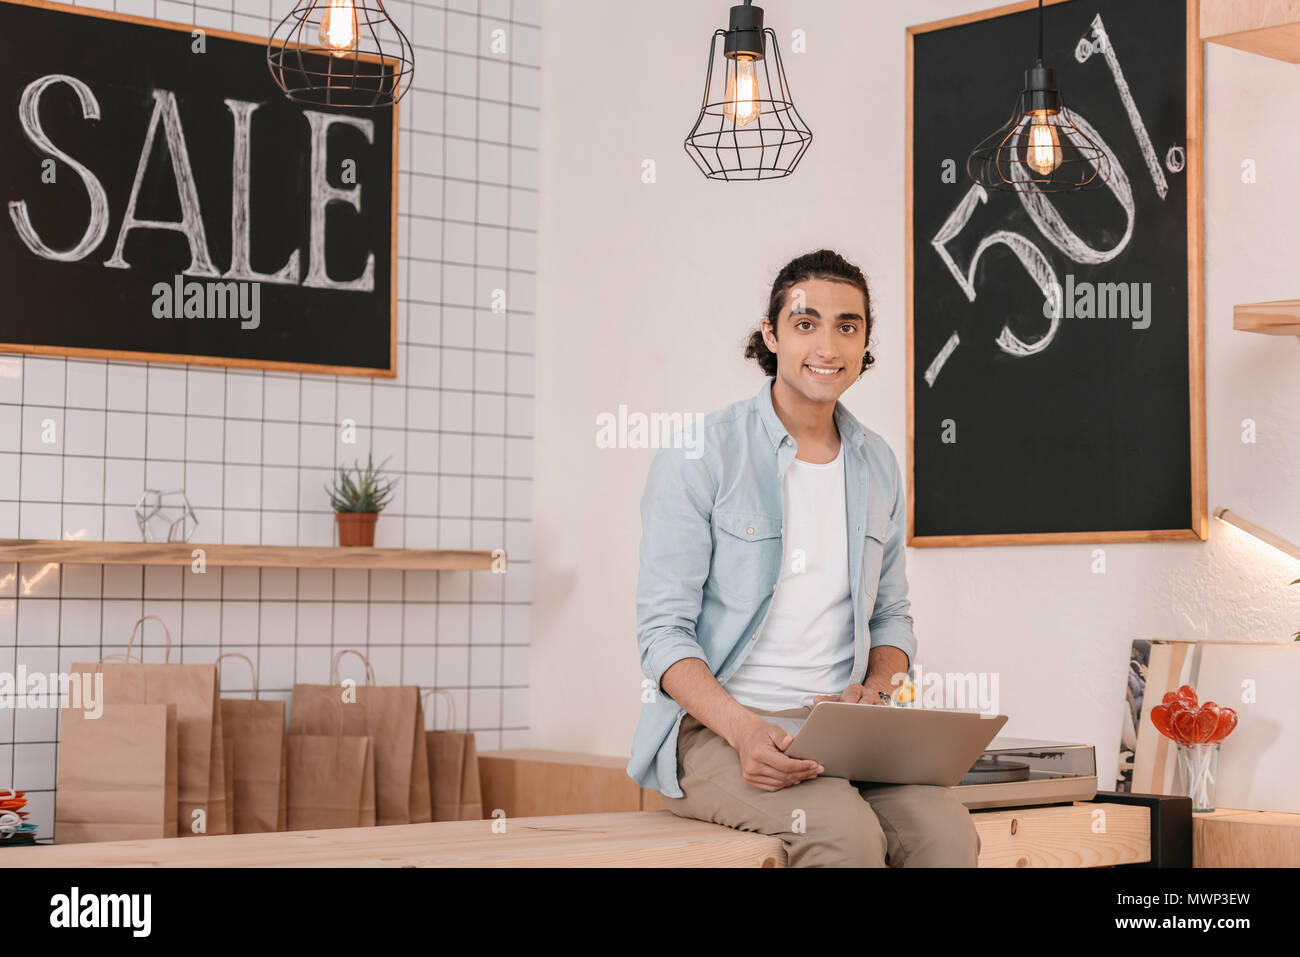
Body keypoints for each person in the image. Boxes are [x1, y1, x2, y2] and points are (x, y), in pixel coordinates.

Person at [627, 249, 980, 867]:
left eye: (848, 326)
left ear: (866, 340)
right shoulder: (700, 454)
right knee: (844, 836)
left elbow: (892, 617)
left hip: (846, 733)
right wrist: (743, 731)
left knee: (948, 836)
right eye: (805, 322)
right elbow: (662, 635)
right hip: (718, 731)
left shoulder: (877, 463)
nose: (828, 345)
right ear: (771, 333)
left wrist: (877, 689)